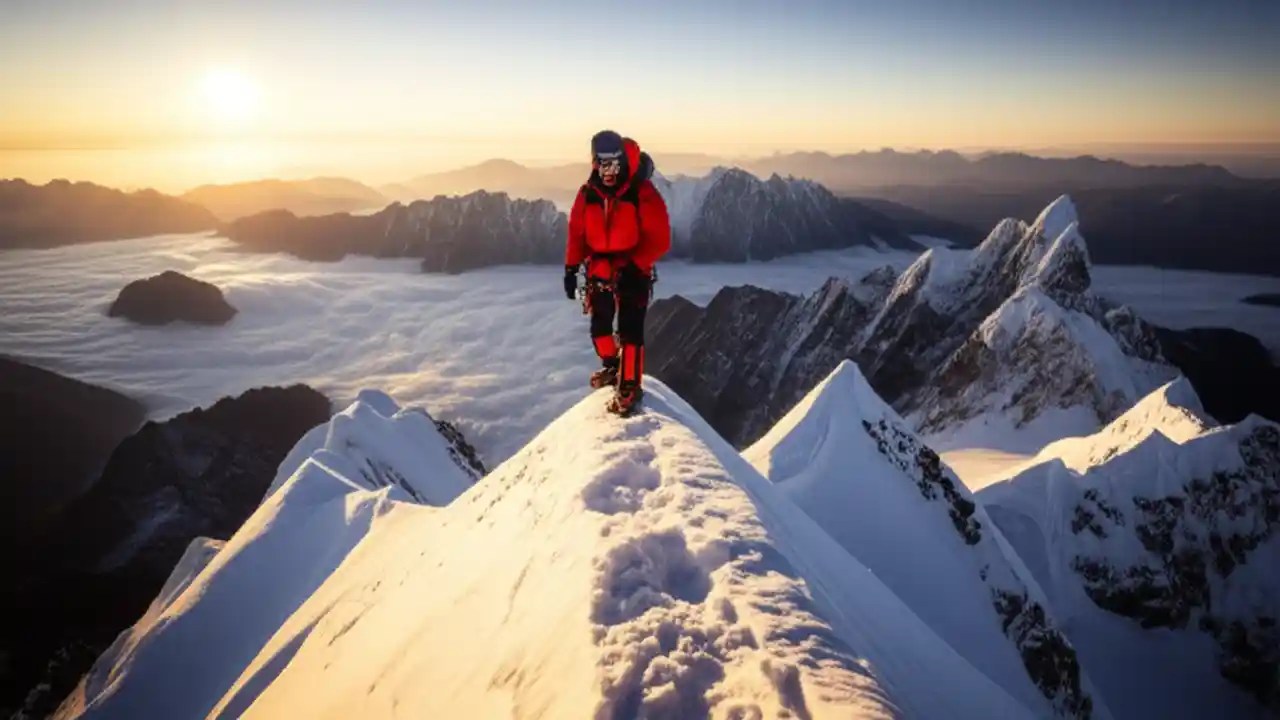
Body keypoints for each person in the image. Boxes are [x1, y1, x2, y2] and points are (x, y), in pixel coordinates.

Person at [563, 130, 671, 416]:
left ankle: (630, 386)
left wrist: (636, 264)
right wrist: (571, 267)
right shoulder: (588, 194)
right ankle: (613, 367)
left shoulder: (641, 192)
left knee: (630, 328)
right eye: (602, 163)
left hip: (633, 268)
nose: (608, 171)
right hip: (600, 268)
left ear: (623, 160)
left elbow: (660, 238)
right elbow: (577, 233)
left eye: (613, 163)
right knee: (600, 329)